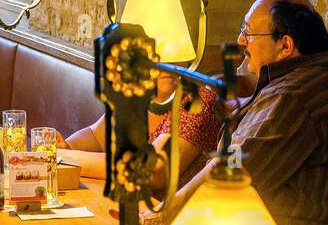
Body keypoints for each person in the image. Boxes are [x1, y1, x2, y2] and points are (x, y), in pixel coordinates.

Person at [138, 0, 328, 225]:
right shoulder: (313, 78)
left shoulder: (294, 97)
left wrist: (163, 216)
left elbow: (230, 174)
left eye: (248, 32)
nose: (241, 41)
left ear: (285, 45)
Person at [60, 71, 221, 191]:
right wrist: (67, 146)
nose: (166, 63)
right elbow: (96, 136)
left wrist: (63, 157)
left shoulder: (199, 100)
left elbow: (152, 169)